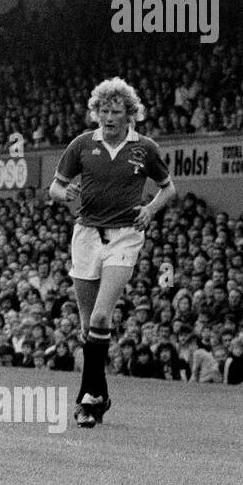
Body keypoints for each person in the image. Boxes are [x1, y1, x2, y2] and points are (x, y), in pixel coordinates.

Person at [48, 77, 175, 427]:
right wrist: (66, 193)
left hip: (125, 236)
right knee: (89, 325)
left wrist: (150, 209)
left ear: (129, 114)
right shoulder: (82, 144)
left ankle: (86, 400)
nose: (108, 116)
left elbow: (168, 189)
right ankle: (98, 394)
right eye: (103, 110)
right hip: (86, 235)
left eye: (116, 111)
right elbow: (55, 188)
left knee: (102, 317)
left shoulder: (144, 148)